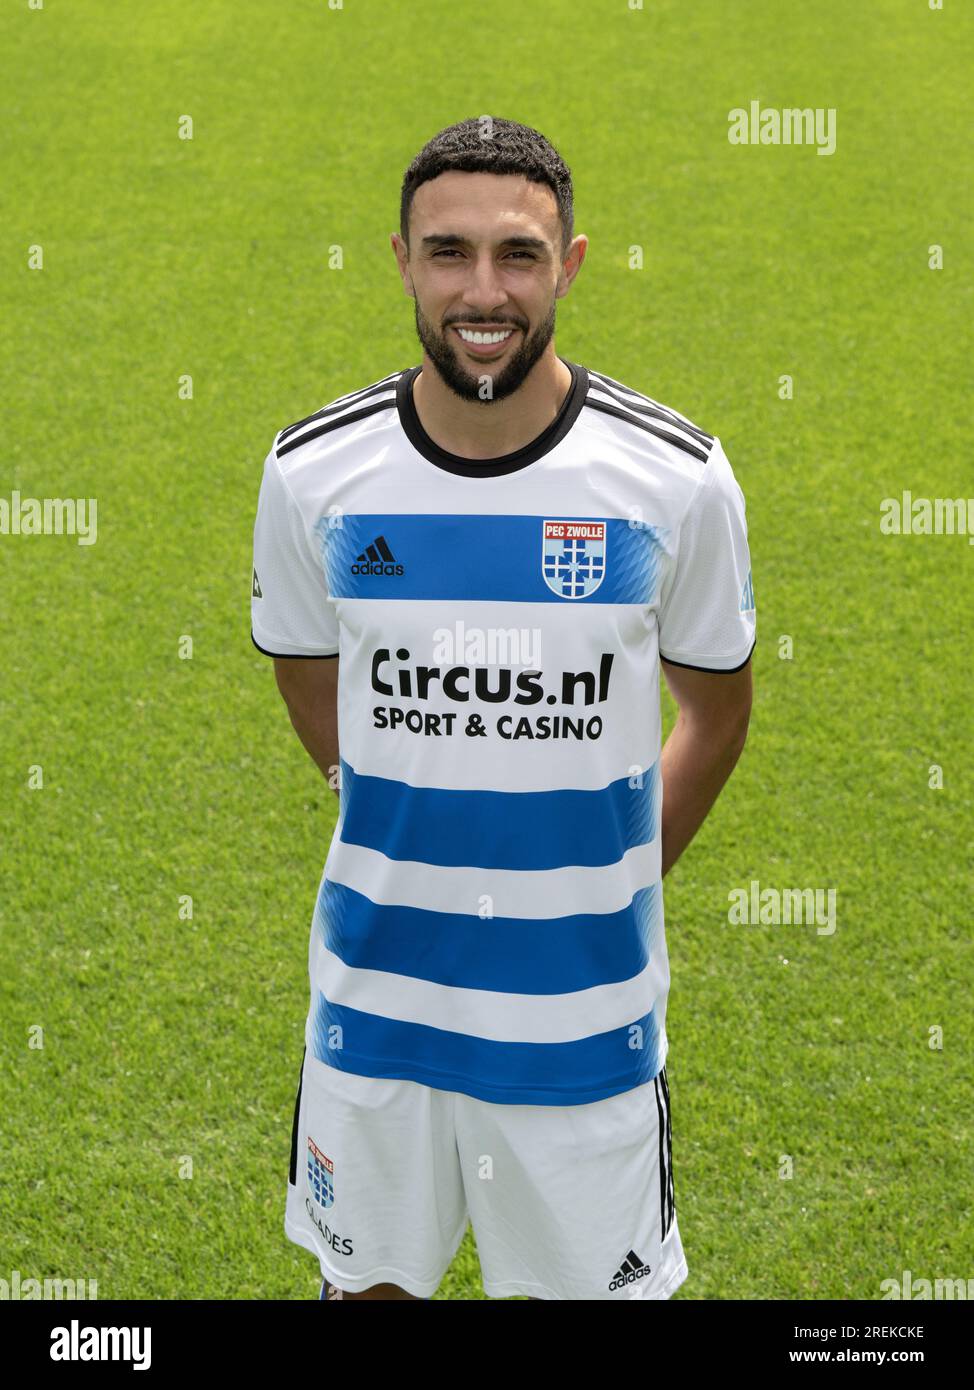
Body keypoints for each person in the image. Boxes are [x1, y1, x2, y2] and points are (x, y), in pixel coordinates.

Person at [250, 116, 755, 1301]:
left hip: (582, 1033)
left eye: (517, 255)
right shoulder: (314, 476)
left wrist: (614, 866)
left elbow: (716, 712)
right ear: (401, 260)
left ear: (570, 263)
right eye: (449, 252)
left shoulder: (669, 483)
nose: (484, 291)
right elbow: (302, 671)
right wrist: (391, 801)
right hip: (376, 1020)